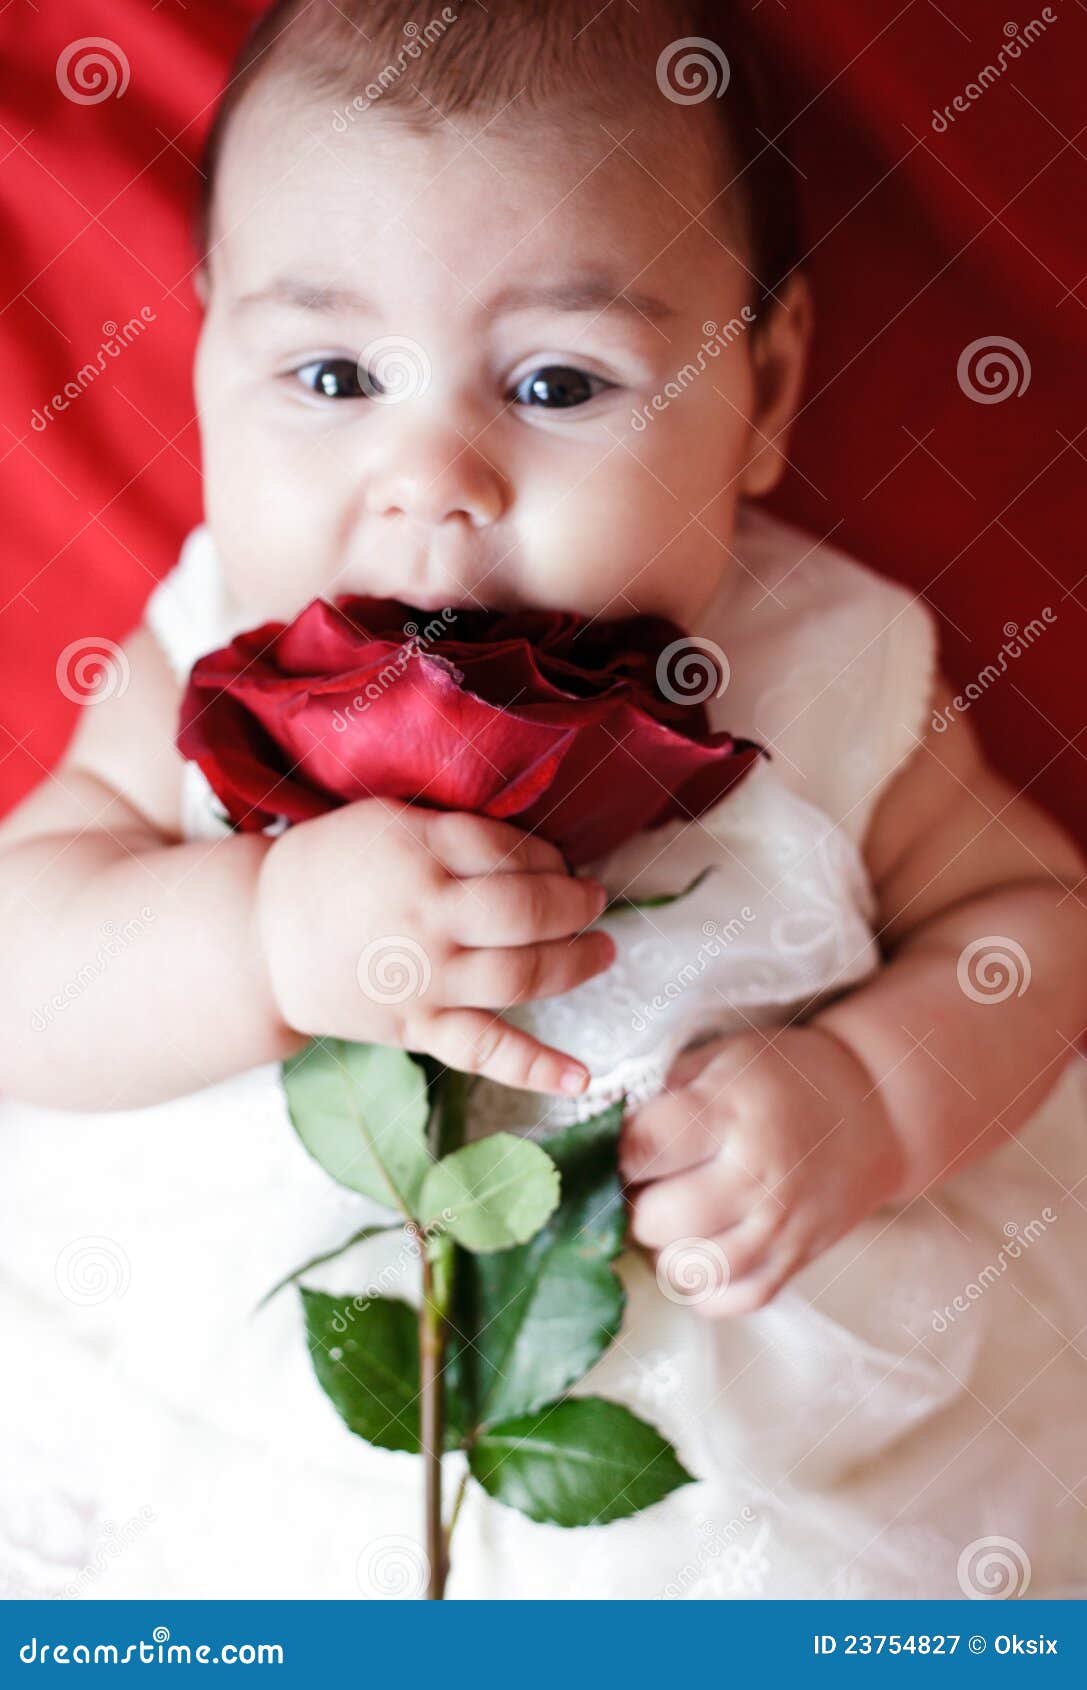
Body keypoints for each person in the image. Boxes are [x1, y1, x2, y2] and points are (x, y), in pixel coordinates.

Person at [1, 0, 1084, 1600]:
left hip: (749, 1533)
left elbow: (1035, 928)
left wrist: (865, 1098)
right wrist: (262, 936)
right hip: (236, 1514)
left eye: (562, 383)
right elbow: (26, 971)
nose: (434, 473)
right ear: (208, 346)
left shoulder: (833, 668)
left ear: (763, 389)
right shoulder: (193, 653)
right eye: (333, 370)